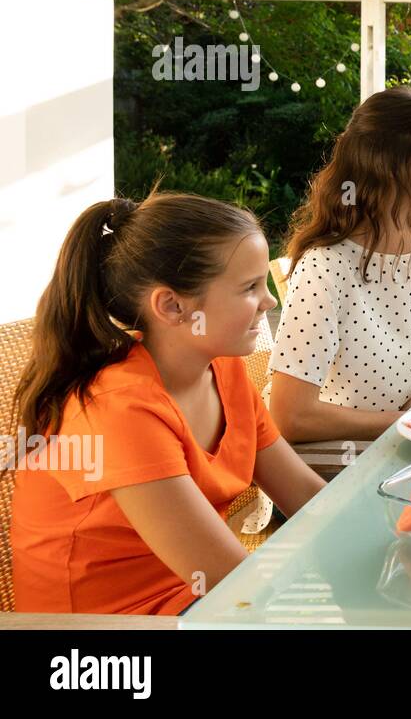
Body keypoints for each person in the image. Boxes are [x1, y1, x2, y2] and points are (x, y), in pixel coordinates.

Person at [11, 193, 325, 615]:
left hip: (196, 600)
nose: (269, 301)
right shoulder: (119, 408)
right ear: (173, 306)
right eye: (250, 287)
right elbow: (237, 587)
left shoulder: (225, 371)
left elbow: (308, 497)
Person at [268, 86, 411, 442]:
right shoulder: (325, 268)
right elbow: (290, 417)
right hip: (329, 460)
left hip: (401, 442)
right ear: (392, 164)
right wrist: (405, 422)